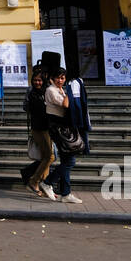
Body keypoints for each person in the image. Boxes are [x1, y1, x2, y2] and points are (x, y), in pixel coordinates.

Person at [44, 68, 83, 204]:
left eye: (63, 78)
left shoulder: (59, 89)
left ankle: (65, 193)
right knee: (70, 161)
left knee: (66, 160)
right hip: (58, 129)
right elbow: (66, 104)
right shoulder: (51, 90)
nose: (61, 81)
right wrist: (71, 91)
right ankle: (48, 182)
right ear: (52, 78)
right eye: (58, 78)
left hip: (64, 128)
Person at [20, 67, 53, 198]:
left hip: (47, 128)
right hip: (39, 128)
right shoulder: (32, 93)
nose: (37, 82)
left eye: (39, 80)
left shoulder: (46, 91)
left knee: (46, 157)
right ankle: (34, 181)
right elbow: (28, 108)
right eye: (35, 80)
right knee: (50, 157)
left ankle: (42, 182)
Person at [65, 68, 94, 157]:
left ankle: (84, 150)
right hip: (80, 111)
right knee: (82, 132)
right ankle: (84, 150)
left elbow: (76, 100)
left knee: (81, 132)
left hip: (78, 112)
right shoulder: (78, 81)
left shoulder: (74, 83)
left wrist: (77, 115)